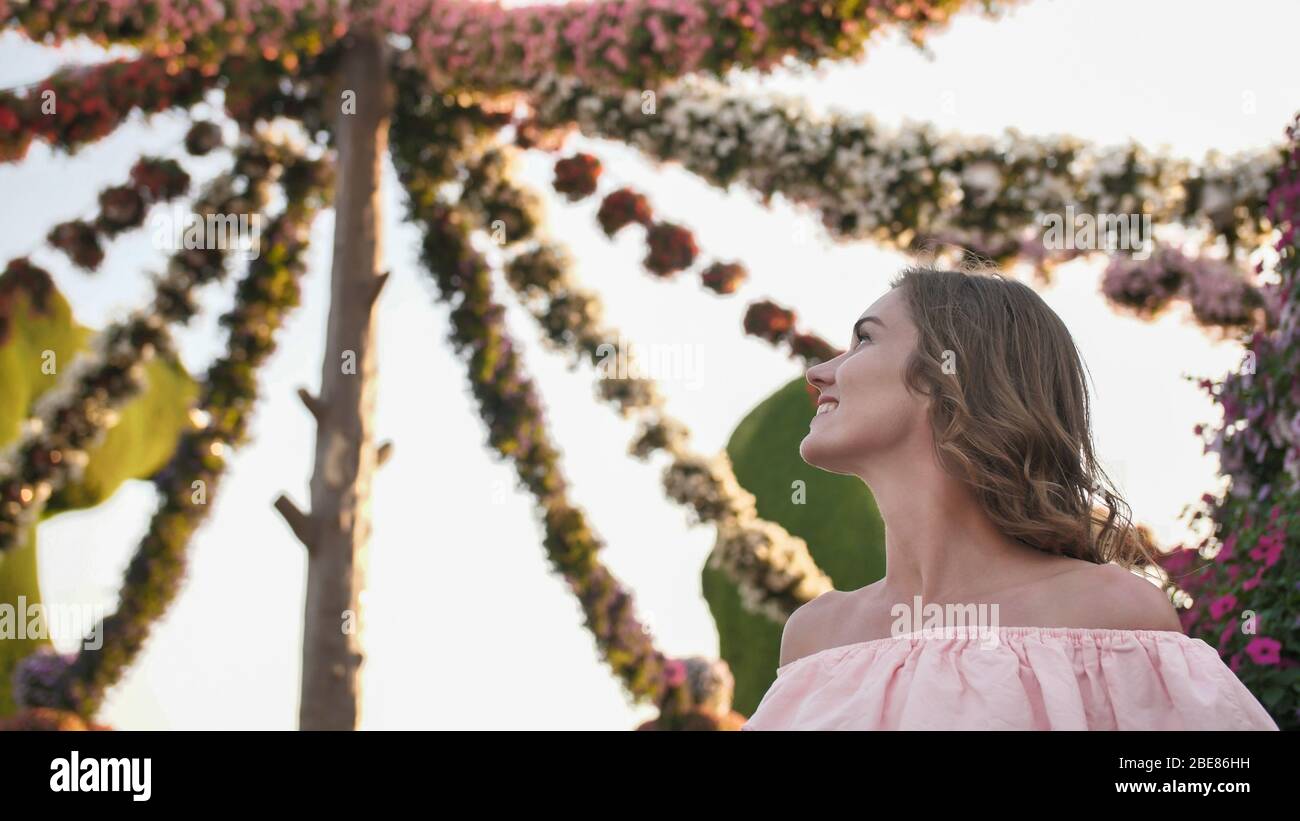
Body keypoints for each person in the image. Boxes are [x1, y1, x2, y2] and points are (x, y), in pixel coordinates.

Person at [741, 264, 1279, 731]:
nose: (818, 373)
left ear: (949, 375)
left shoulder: (1109, 615)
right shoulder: (815, 639)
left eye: (864, 339)